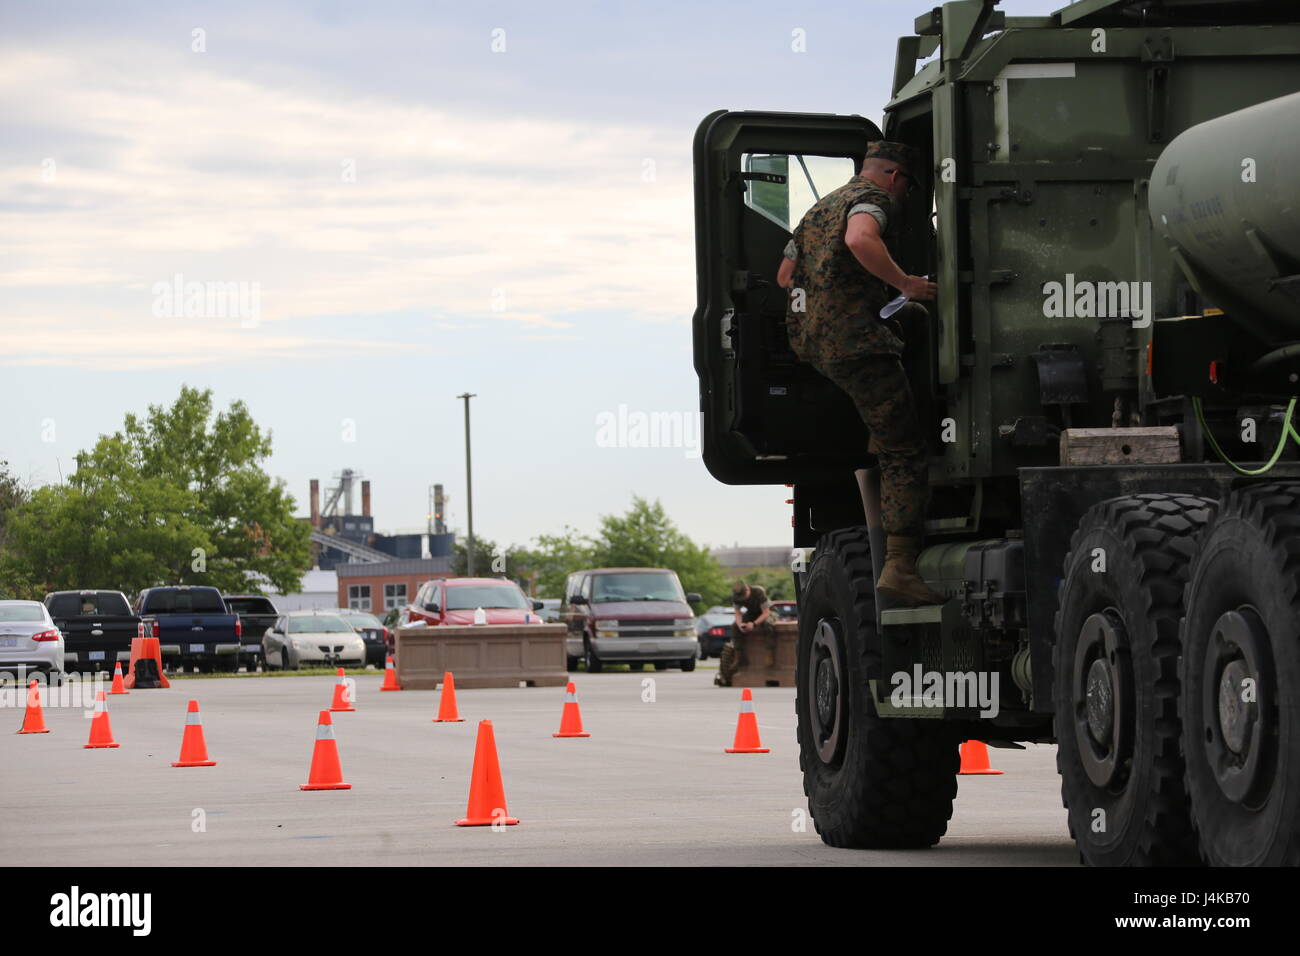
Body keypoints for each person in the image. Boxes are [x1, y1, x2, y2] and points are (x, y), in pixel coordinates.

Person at [780, 141, 943, 607]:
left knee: (913, 321)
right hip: (857, 345)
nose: (906, 194)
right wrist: (905, 284)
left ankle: (881, 425)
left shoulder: (819, 208)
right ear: (894, 176)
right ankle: (901, 564)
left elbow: (784, 275)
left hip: (815, 343)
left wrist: (835, 296)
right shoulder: (874, 201)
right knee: (903, 450)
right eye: (908, 185)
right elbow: (859, 239)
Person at [715, 579, 775, 687]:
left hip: (768, 612)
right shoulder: (737, 597)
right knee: (734, 626)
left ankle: (769, 653)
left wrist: (754, 624)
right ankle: (739, 656)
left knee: (768, 625)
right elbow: (737, 614)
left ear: (747, 589)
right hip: (752, 613)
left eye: (744, 596)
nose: (742, 599)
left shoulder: (758, 592)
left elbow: (766, 613)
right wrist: (740, 625)